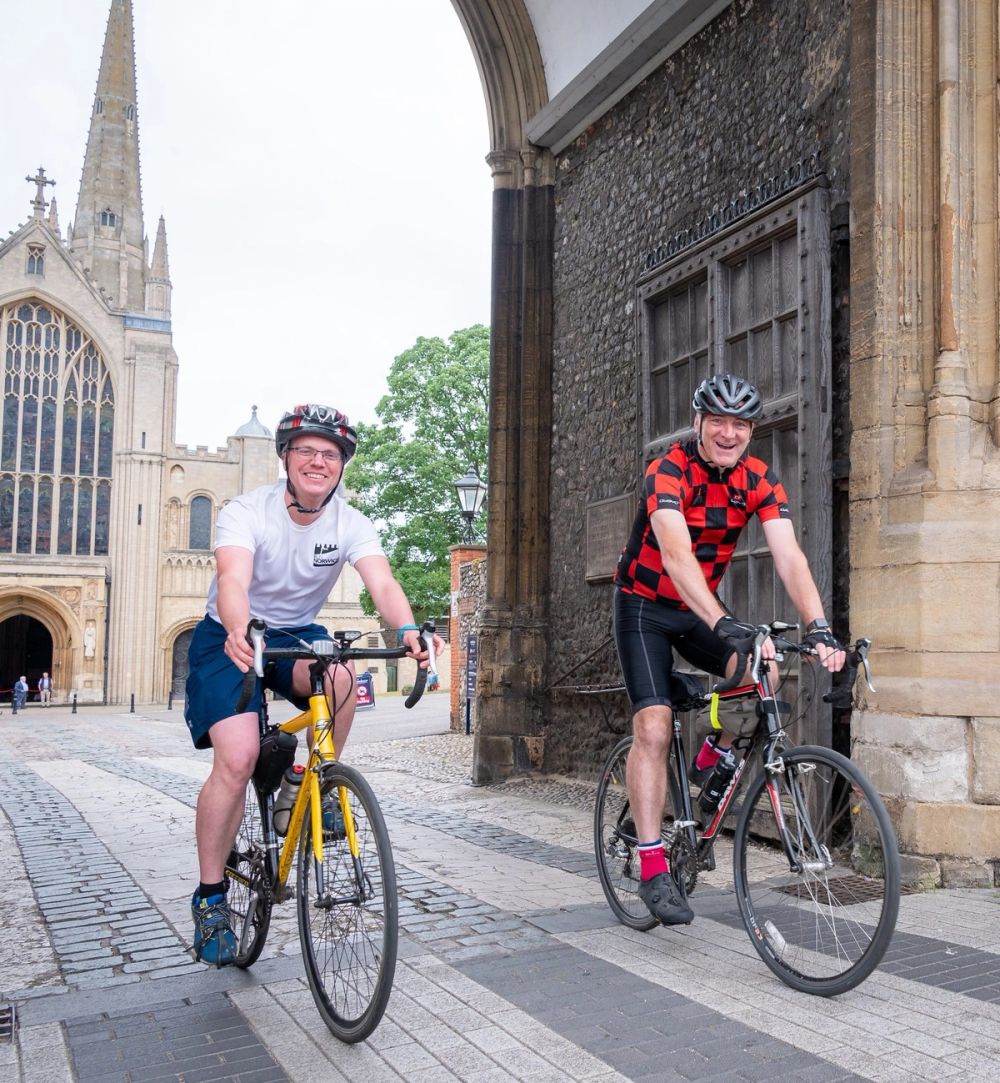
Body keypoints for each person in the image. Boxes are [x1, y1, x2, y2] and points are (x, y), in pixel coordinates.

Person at [184, 403, 444, 966]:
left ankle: (305, 779)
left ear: (342, 465)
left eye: (330, 454)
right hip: (230, 632)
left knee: (343, 677)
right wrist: (236, 628)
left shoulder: (350, 522)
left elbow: (383, 580)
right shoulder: (246, 512)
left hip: (297, 633)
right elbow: (233, 578)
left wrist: (408, 629)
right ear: (285, 458)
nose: (317, 461)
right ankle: (209, 898)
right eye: (305, 450)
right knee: (239, 756)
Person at [612, 373, 845, 926]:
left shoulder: (759, 479)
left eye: (740, 424)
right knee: (652, 726)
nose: (728, 433)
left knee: (760, 664)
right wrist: (724, 622)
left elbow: (789, 557)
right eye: (718, 421)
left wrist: (819, 627)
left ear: (750, 432)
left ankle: (710, 756)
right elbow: (674, 554)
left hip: (696, 610)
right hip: (644, 606)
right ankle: (651, 867)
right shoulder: (666, 471)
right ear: (698, 423)